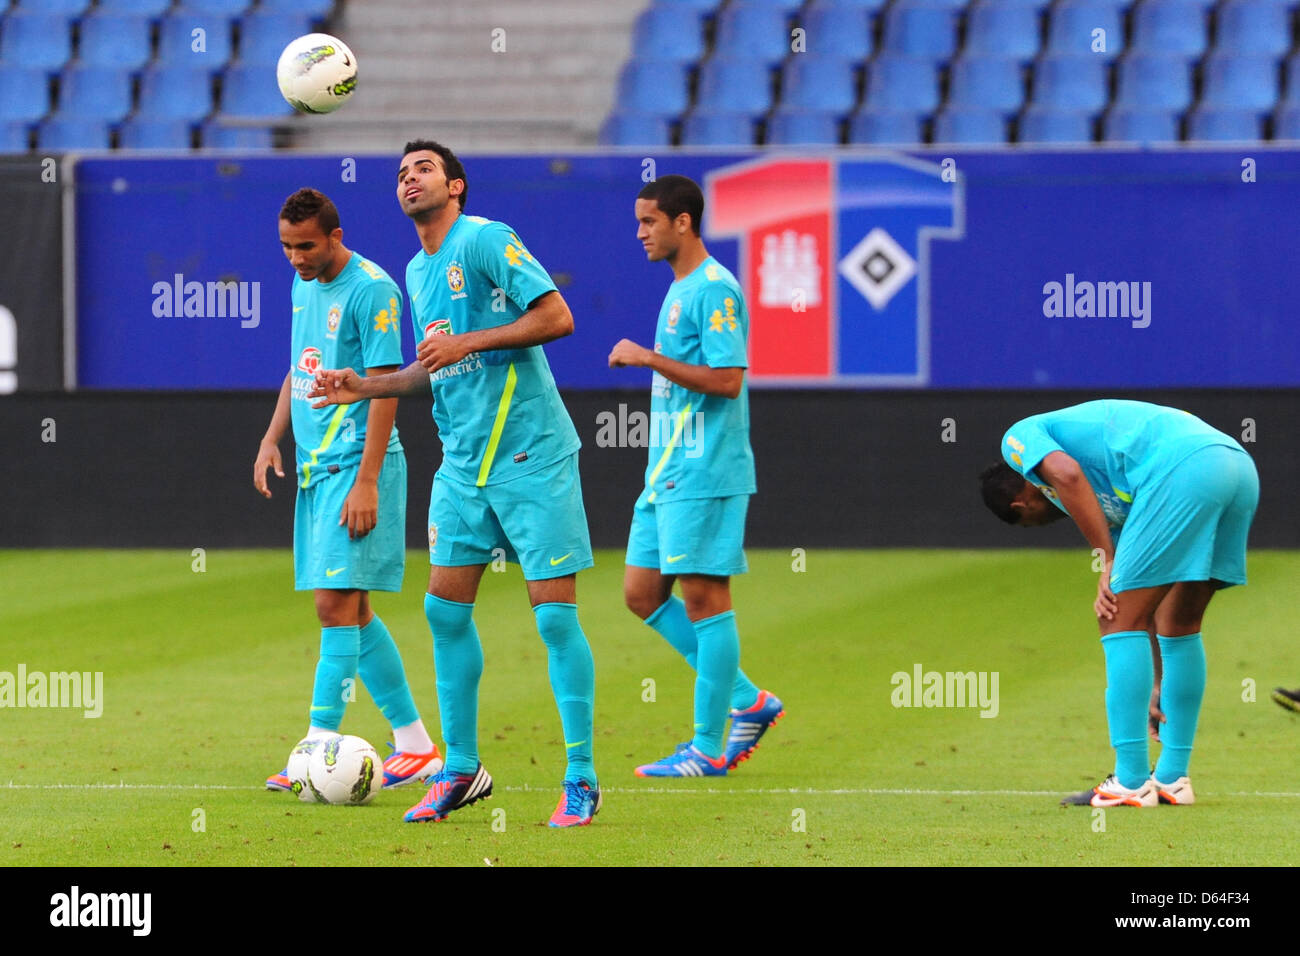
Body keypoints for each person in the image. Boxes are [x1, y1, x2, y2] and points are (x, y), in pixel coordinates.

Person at [308, 142, 600, 827]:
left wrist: (470, 341)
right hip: (463, 463)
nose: (410, 179)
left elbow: (558, 317)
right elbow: (431, 367)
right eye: (402, 173)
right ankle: (463, 769)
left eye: (424, 169)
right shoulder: (415, 268)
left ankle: (581, 776)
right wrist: (365, 385)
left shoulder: (486, 239)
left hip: (531, 453)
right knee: (443, 611)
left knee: (554, 616)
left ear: (456, 185)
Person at [979, 400, 1258, 807]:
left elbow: (1068, 474)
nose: (1046, 521)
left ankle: (1129, 782)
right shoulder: (1114, 489)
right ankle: (1172, 779)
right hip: (1235, 466)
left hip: (1183, 470)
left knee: (1114, 618)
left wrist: (1105, 558)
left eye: (1030, 523)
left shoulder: (1017, 439)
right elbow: (1145, 614)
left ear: (1021, 506)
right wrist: (1155, 683)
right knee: (1177, 623)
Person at [255, 188, 441, 793]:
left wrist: (366, 482)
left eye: (305, 246)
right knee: (353, 611)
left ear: (334, 236)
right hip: (317, 467)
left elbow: (387, 386)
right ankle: (414, 745)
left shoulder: (373, 290)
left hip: (359, 466)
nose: (295, 257)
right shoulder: (301, 285)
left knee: (333, 607)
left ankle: (315, 745)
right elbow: (298, 367)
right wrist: (271, 437)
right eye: (286, 246)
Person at [608, 174, 784, 778]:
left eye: (648, 222)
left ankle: (709, 746)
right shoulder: (682, 287)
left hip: (705, 469)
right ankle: (749, 700)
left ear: (682, 221)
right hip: (667, 472)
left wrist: (648, 356)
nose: (639, 233)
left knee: (705, 599)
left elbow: (728, 379)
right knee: (640, 593)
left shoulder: (715, 289)